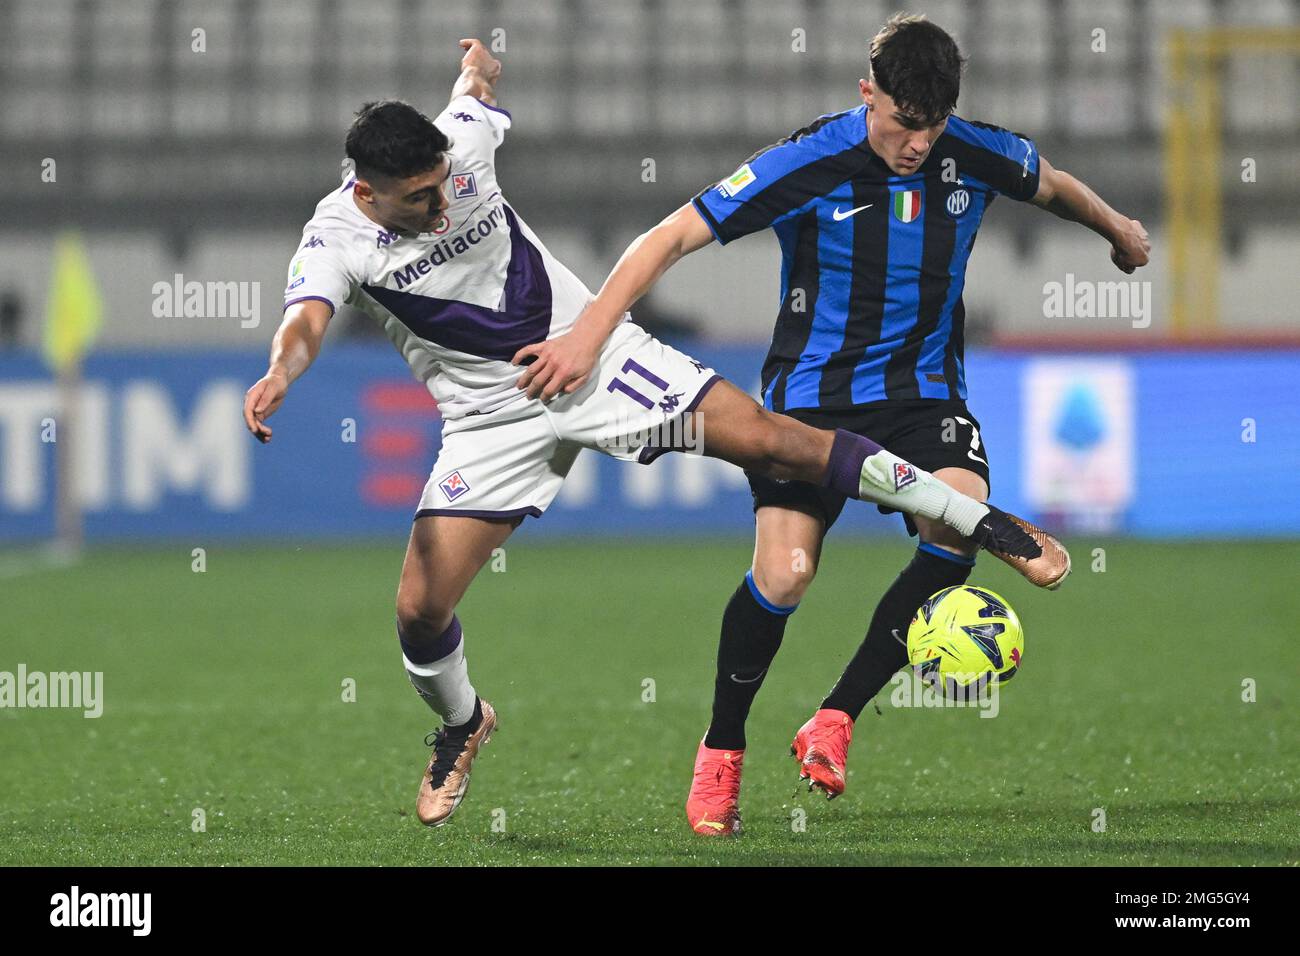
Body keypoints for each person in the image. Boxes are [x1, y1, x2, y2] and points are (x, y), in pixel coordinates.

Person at [243, 36, 1062, 829]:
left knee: (771, 438)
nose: (442, 200)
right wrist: (282, 374)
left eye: (445, 184)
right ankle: (463, 724)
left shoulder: (457, 148)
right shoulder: (334, 239)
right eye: (420, 198)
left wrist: (477, 70)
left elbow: (473, 102)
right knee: (420, 611)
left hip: (593, 359)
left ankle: (979, 520)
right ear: (367, 194)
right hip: (488, 417)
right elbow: (306, 321)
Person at [516, 13, 1143, 835]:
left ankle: (835, 718)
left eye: (931, 127)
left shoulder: (973, 151)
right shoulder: (811, 159)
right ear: (867, 94)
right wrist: (588, 335)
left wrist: (1119, 231)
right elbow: (669, 236)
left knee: (951, 531)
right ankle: (721, 752)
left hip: (925, 397)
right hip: (809, 402)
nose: (916, 144)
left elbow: (1053, 183)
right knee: (786, 577)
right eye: (900, 122)